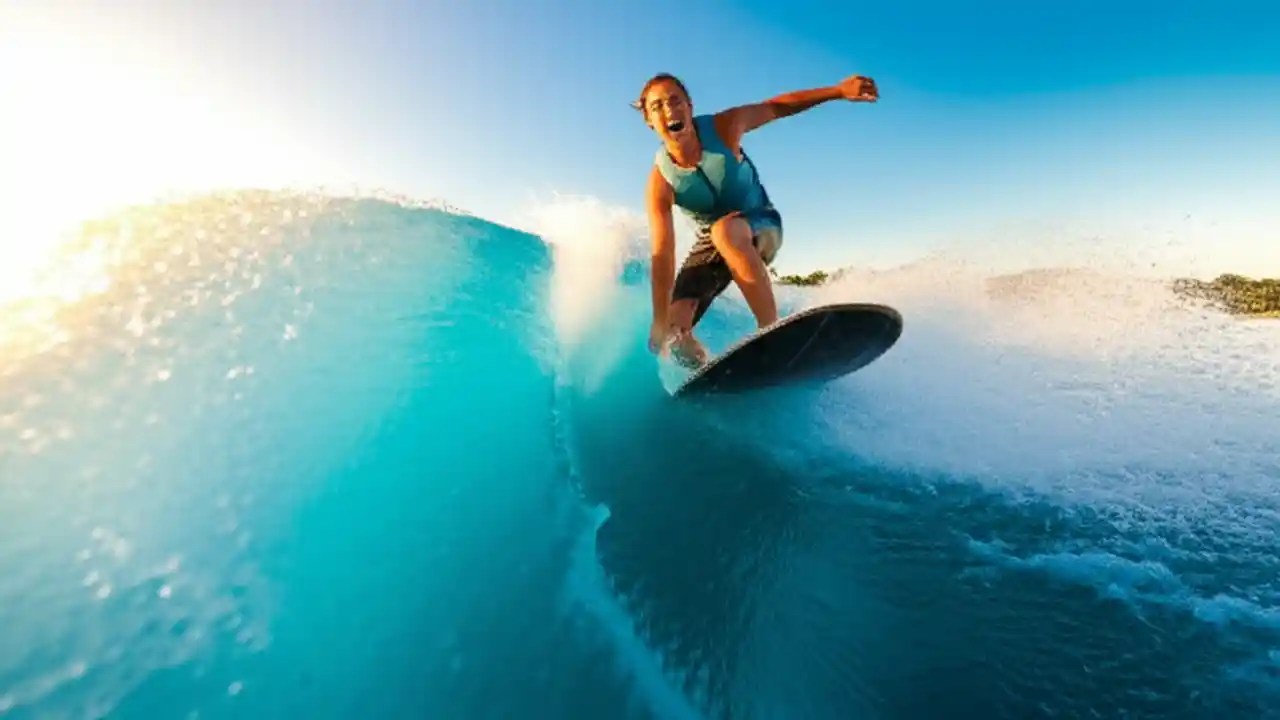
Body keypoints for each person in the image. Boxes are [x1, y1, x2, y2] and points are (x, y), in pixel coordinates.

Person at [635, 72, 879, 368]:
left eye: (675, 100)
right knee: (674, 333)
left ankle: (772, 332)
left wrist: (837, 91)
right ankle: (707, 372)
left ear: (689, 106)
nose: (669, 109)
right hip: (712, 244)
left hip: (762, 224)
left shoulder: (725, 127)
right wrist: (660, 319)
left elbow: (776, 107)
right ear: (649, 120)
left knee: (725, 231)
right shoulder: (661, 182)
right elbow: (663, 252)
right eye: (657, 106)